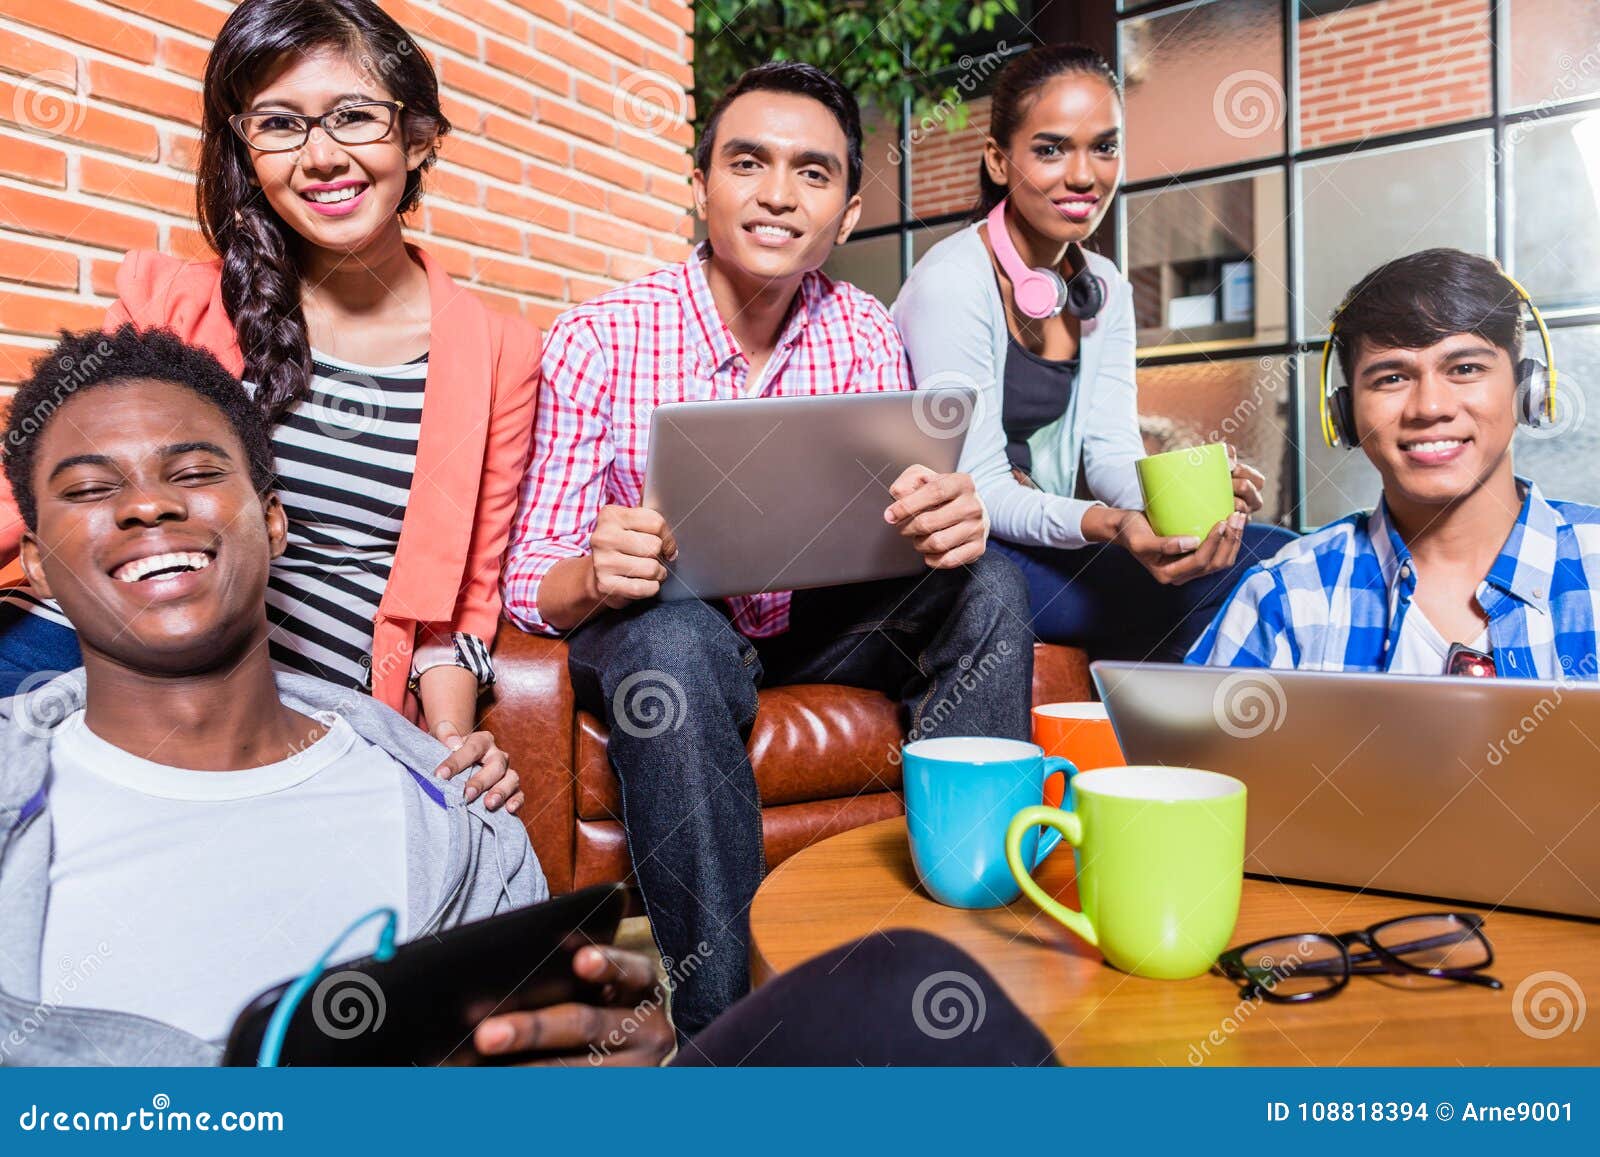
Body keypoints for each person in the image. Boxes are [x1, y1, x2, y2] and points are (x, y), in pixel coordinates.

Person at [501, 61, 1034, 1040]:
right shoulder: (598, 336)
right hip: (669, 627)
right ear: (699, 182)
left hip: (813, 621)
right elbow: (530, 579)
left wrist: (946, 522)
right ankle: (728, 1030)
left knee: (988, 580)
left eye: (813, 173)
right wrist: (591, 569)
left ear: (849, 208)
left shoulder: (866, 332)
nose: (779, 194)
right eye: (748, 163)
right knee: (672, 644)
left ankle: (976, 939)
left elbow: (899, 519)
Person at [0, 0, 536, 811]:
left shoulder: (499, 354)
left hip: (293, 711)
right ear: (249, 152)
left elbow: (463, 599)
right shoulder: (173, 299)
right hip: (83, 653)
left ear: (419, 134)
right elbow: (37, 481)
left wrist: (453, 740)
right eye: (280, 124)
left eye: (355, 116)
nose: (320, 157)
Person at [893, 44, 1295, 663]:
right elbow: (983, 490)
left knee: (1276, 554)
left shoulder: (1105, 286)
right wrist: (1111, 525)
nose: (1084, 175)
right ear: (999, 161)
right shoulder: (953, 282)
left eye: (1103, 147)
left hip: (1051, 537)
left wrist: (1187, 500)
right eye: (1051, 149)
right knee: (1225, 586)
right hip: (965, 557)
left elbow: (1109, 450)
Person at [1190, 248, 1600, 679]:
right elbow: (1181, 747)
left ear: (1528, 390)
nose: (1430, 407)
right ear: (1344, 415)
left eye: (1464, 368)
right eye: (1392, 378)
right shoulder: (1283, 596)